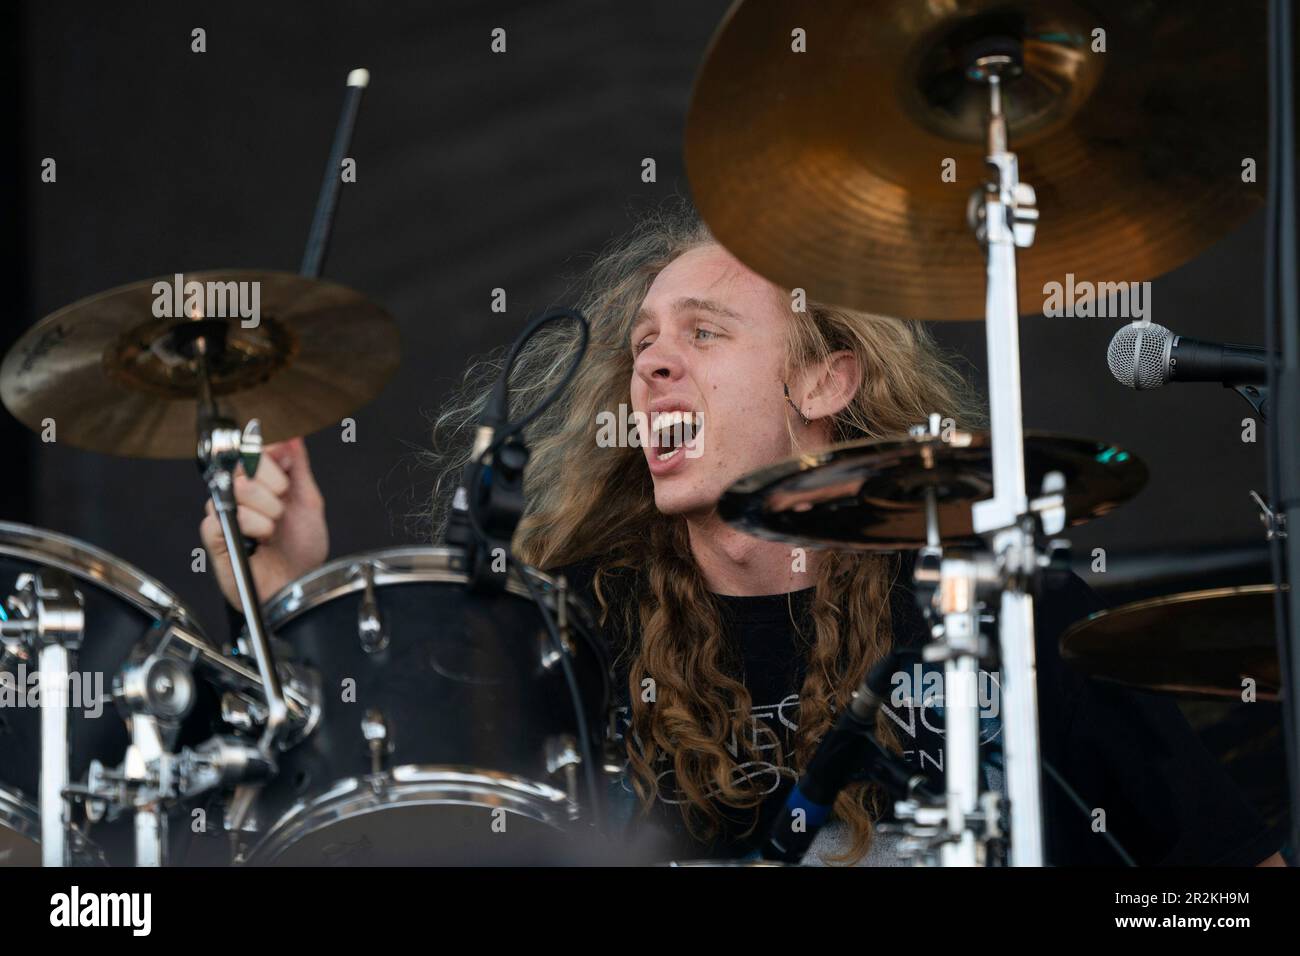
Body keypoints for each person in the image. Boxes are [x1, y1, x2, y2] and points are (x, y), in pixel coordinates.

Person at [200, 203, 1287, 867]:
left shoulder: (985, 599)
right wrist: (294, 583)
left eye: (703, 333)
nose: (654, 362)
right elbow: (404, 802)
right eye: (642, 344)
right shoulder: (576, 625)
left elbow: (1229, 862)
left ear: (827, 378)